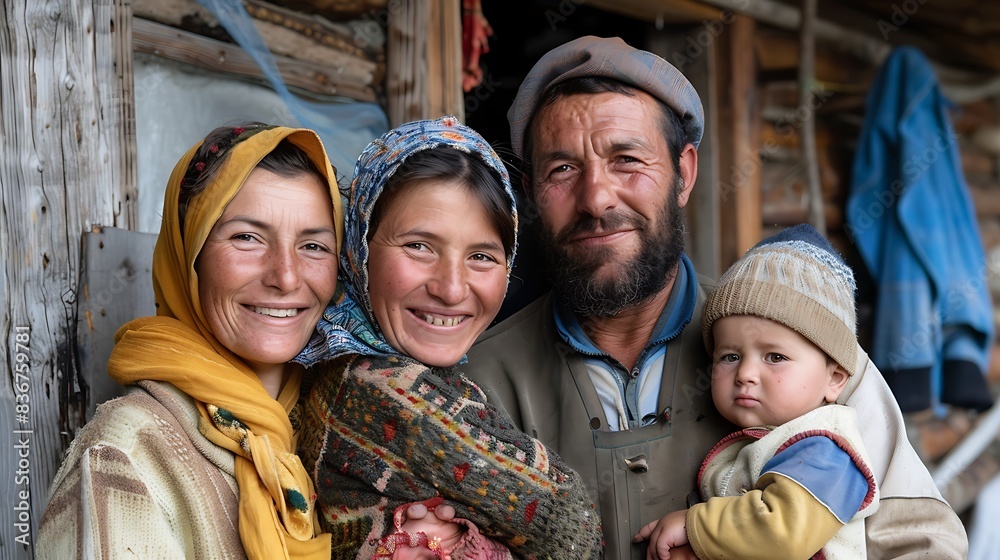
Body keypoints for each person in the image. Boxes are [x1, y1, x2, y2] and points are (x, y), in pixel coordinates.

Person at [463, 35, 968, 559]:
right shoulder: (482, 382)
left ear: (684, 173)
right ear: (531, 192)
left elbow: (925, 544)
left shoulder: (801, 349)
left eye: (627, 159)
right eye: (563, 169)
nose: (596, 198)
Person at [294, 117, 603, 559]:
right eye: (419, 246)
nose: (452, 289)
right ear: (358, 248)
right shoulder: (379, 387)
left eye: (481, 256)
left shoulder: (344, 367)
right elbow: (572, 526)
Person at [38, 123, 340, 559]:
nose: (286, 277)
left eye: (313, 246)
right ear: (188, 255)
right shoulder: (128, 455)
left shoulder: (333, 435)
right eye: (247, 238)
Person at [634, 224, 880, 559]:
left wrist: (694, 526)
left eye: (775, 357)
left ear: (834, 379)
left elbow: (782, 534)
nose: (745, 374)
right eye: (730, 357)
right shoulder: (768, 441)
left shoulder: (826, 451)